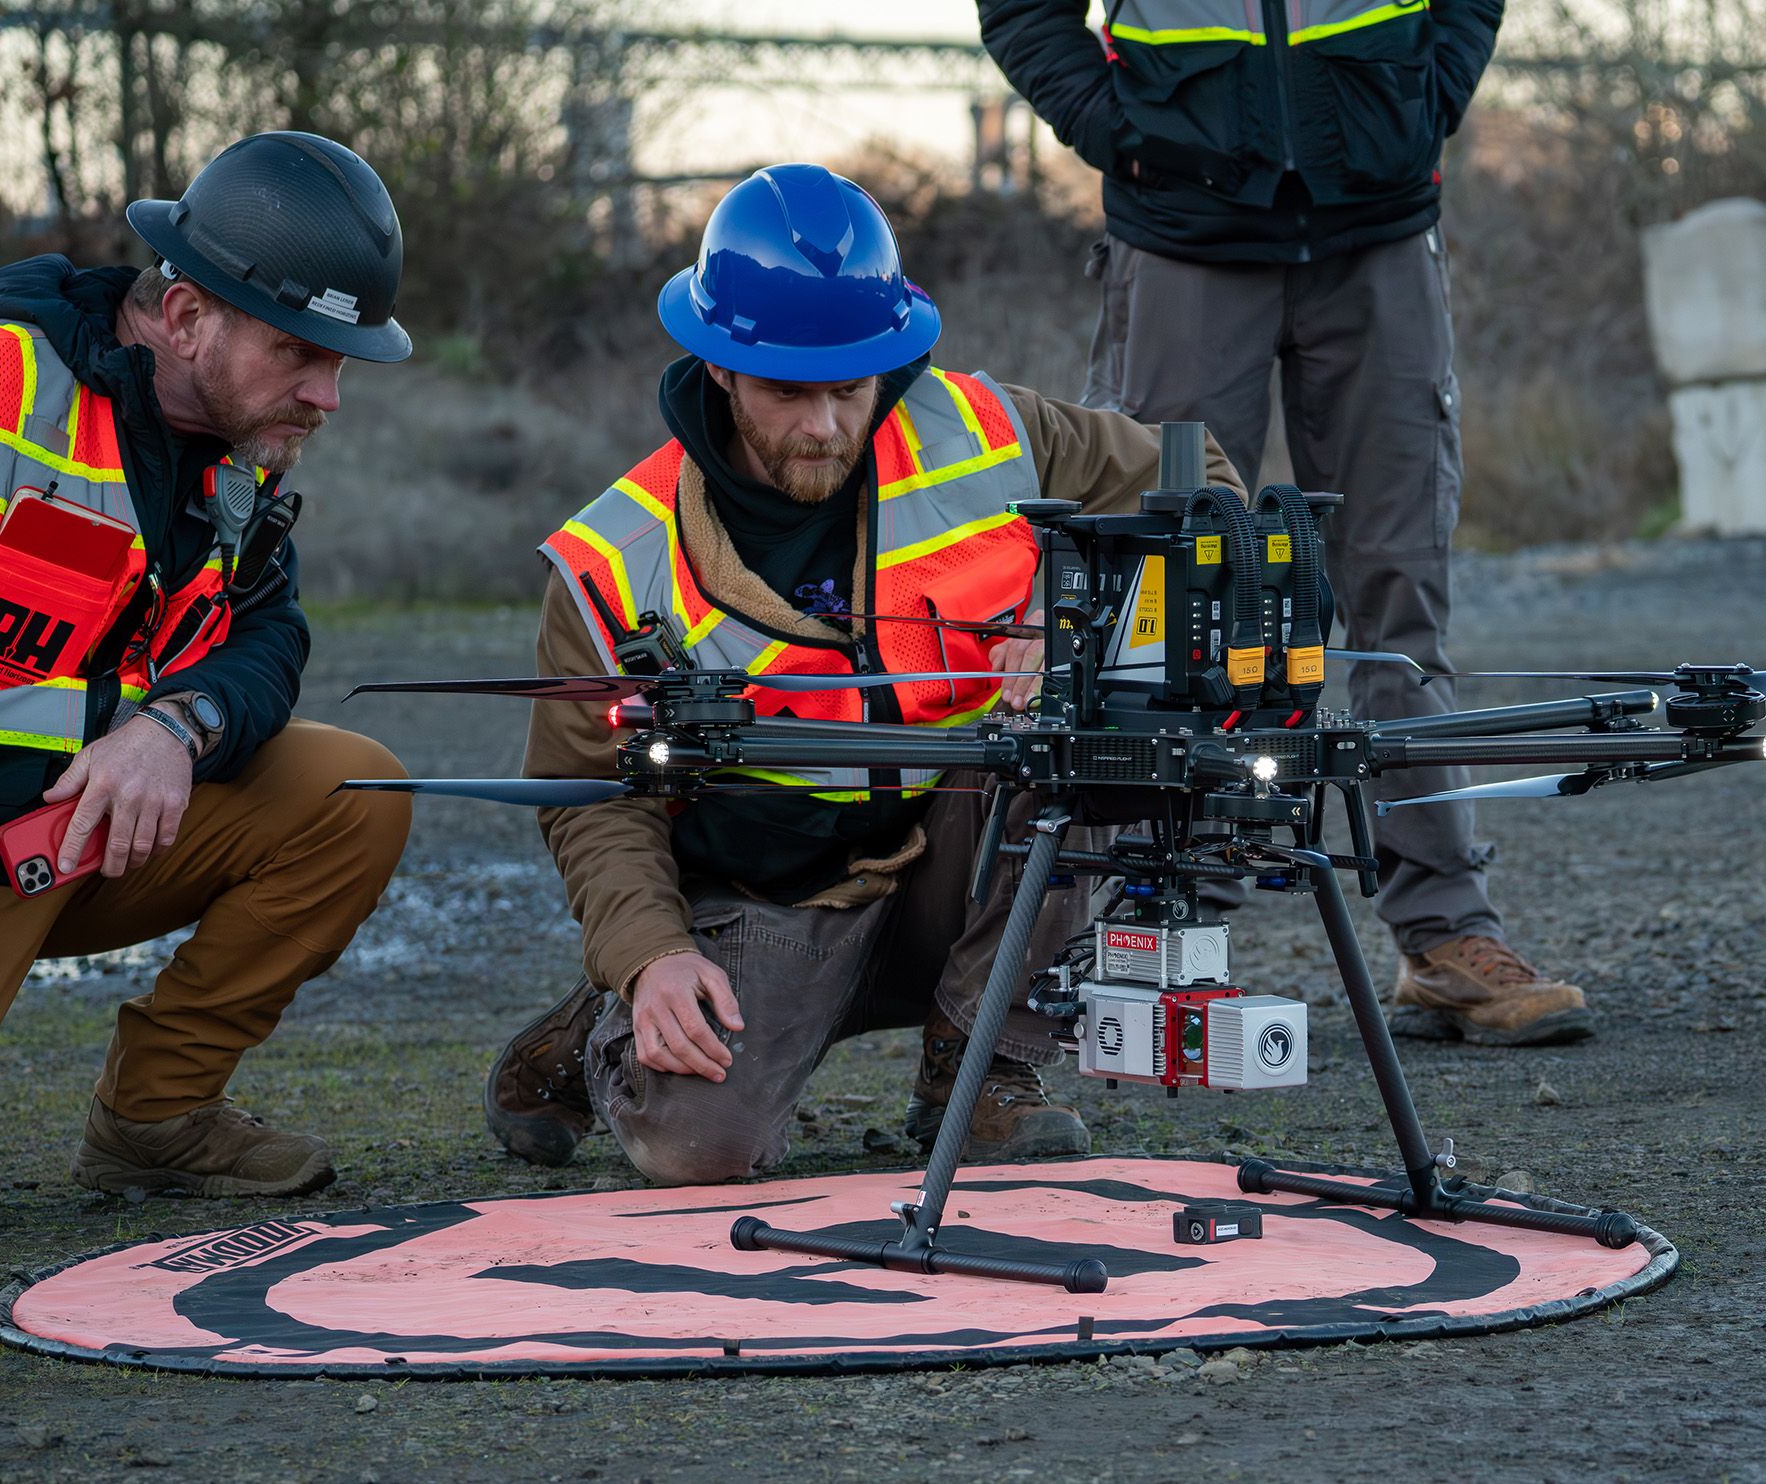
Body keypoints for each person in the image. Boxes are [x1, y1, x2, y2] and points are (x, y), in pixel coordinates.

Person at [485, 164, 1245, 1183]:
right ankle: (614, 1015)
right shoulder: (611, 561)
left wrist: (1089, 625)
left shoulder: (993, 432)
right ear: (717, 367)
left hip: (963, 852)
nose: (825, 426)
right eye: (787, 392)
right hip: (770, 899)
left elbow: (1208, 496)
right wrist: (648, 952)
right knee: (700, 1149)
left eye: (850, 387)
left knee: (1099, 741)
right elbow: (589, 802)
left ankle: (978, 1075)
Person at [977, 1, 1592, 1047]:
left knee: (1400, 592)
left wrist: (1422, 100)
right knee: (1158, 592)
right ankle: (1155, 929)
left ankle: (1445, 930)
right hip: (1182, 230)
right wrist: (1119, 131)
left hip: (1379, 222)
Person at [0, 132, 418, 1199]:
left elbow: (270, 638)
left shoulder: (238, 454)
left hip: (65, 845)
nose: (328, 396)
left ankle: (155, 1119)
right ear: (185, 317)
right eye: (299, 354)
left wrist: (176, 727)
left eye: (340, 362)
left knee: (354, 790)